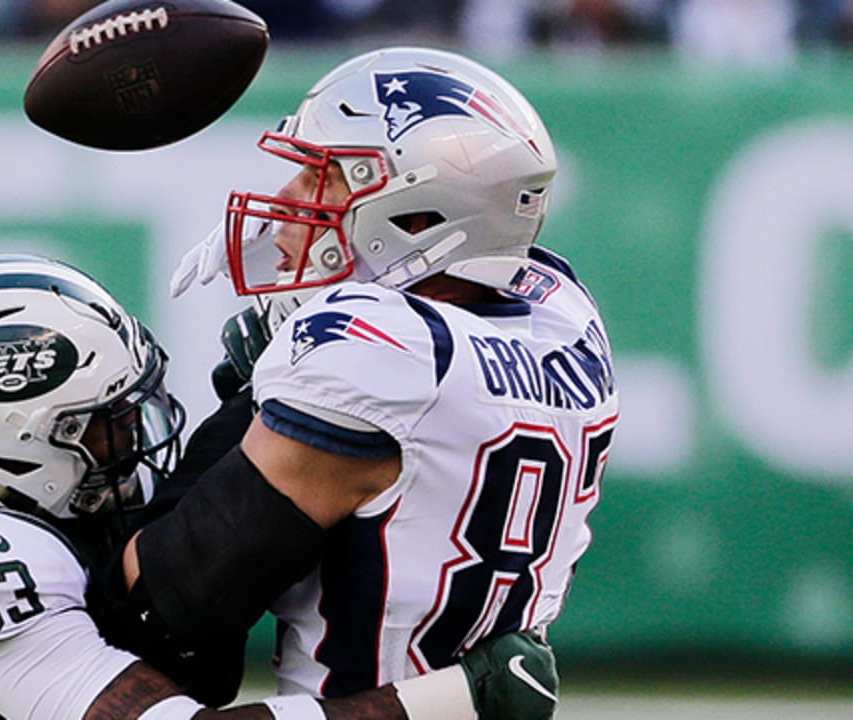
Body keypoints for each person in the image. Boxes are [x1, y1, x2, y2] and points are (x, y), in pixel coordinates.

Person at [0, 253, 558, 720]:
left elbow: (176, 572)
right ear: (15, 446)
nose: (134, 439)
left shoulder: (0, 492)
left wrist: (270, 392)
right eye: (103, 426)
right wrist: (451, 699)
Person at [114, 45, 620, 708]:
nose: (289, 199)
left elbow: (172, 599)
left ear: (419, 218)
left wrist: (252, 388)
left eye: (326, 178)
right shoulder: (564, 314)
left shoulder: (375, 350)